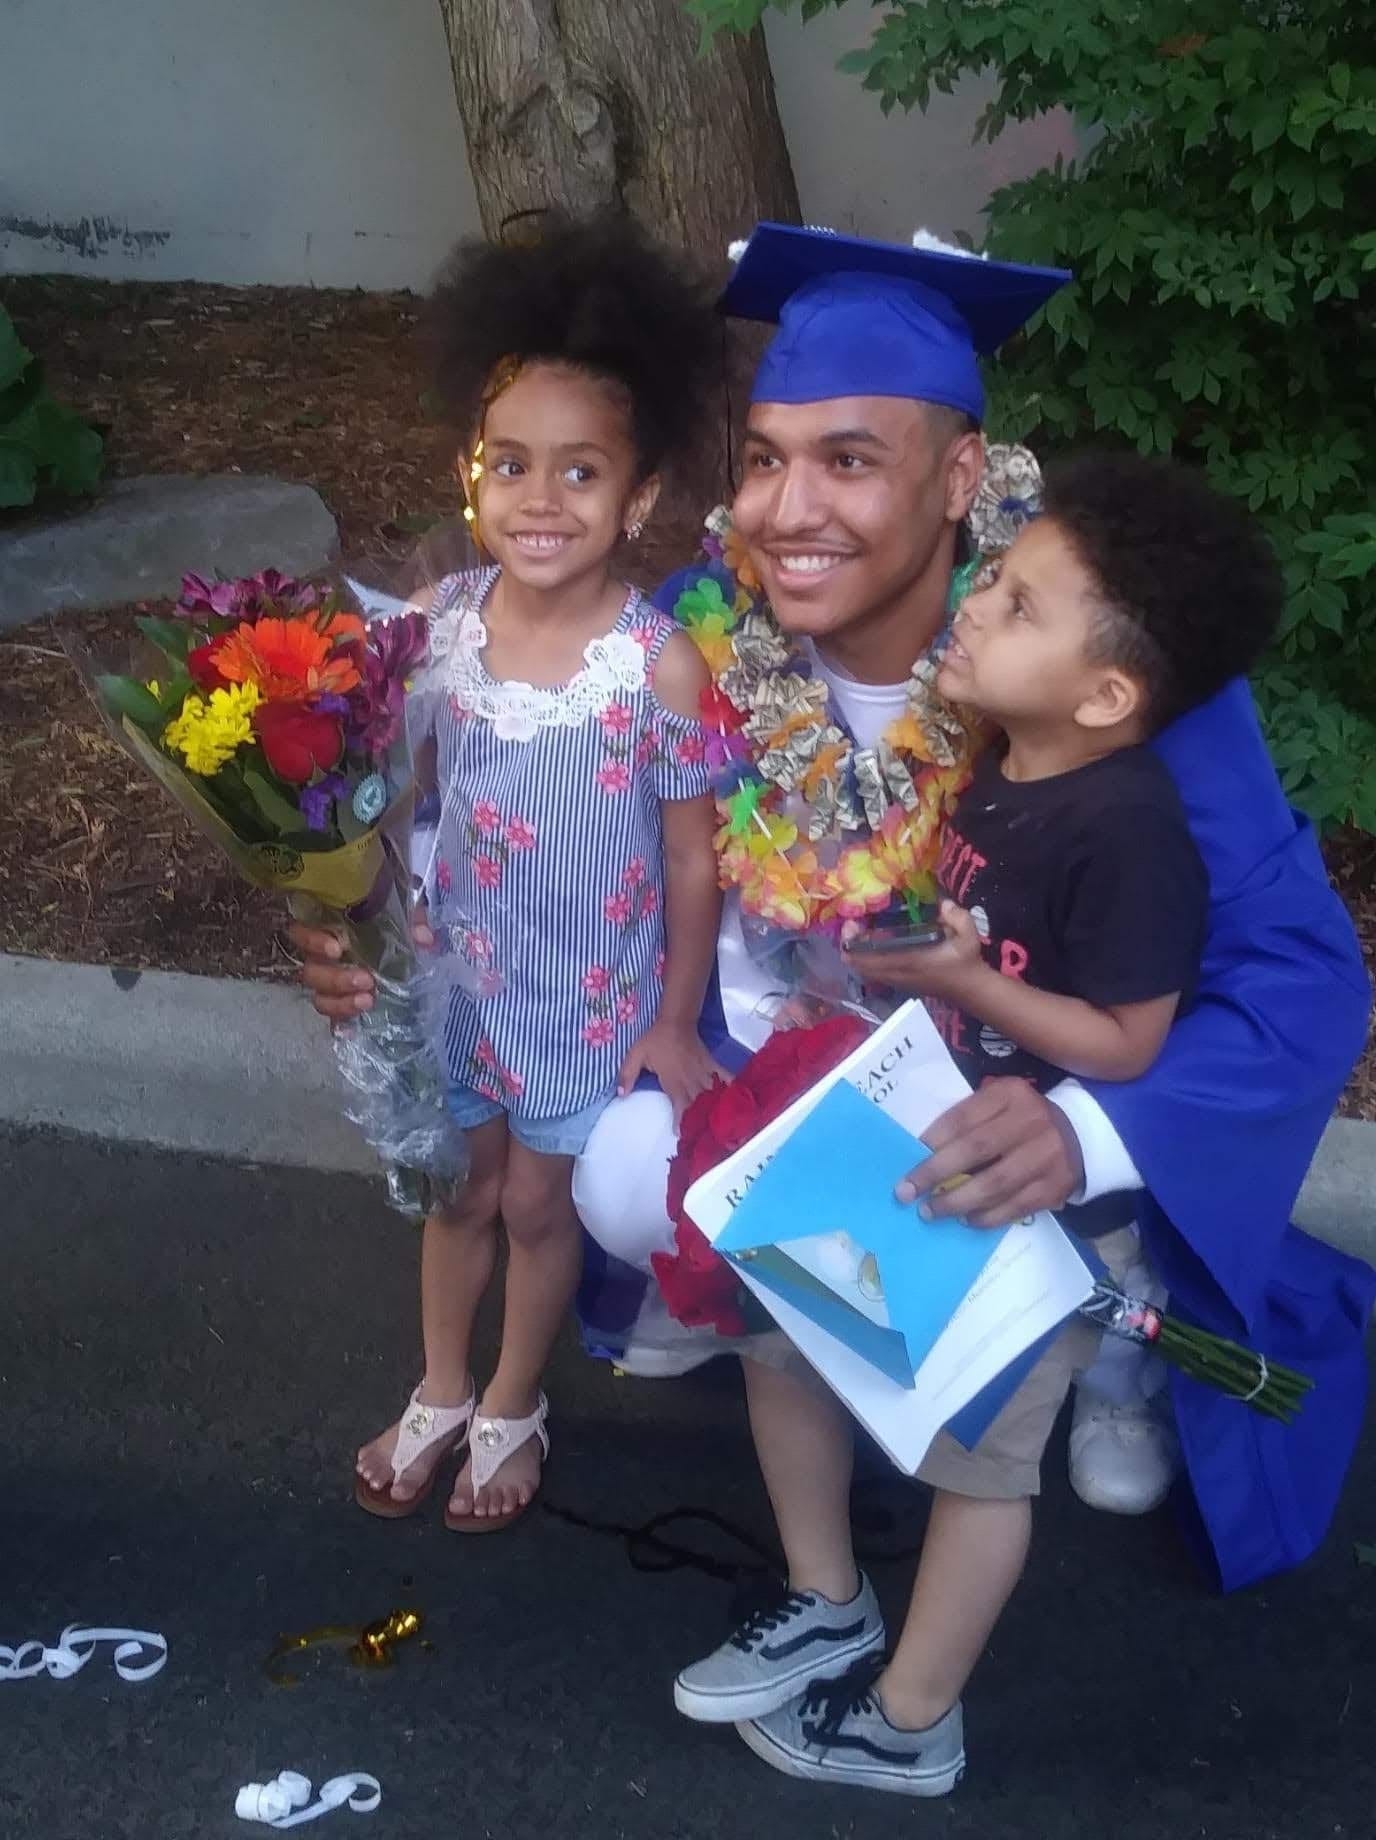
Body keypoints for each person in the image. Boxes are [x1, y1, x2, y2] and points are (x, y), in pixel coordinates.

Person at [297, 225, 1371, 1780]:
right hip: (794, 1048)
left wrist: (1083, 1132)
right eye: (768, 458)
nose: (791, 511)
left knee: (1035, 1234)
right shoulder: (703, 638)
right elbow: (530, 823)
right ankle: (801, 1391)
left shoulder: (1092, 669)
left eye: (852, 461)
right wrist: (370, 937)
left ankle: (1110, 1327)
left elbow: (1297, 984)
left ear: (960, 480)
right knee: (618, 1173)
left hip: (1019, 1069)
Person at [701, 449, 1265, 1797]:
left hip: (1036, 1200)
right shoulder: (1005, 761)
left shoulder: (1130, 829)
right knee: (780, 1330)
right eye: (993, 579)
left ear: (1108, 691)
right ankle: (825, 1594)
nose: (976, 604)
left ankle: (911, 1720)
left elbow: (1131, 1039)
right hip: (924, 1138)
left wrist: (956, 975)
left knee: (983, 1458)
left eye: (1016, 604)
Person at [296, 215, 724, 1532]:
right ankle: (438, 1382)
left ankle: (514, 1399)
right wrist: (340, 922)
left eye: (583, 473)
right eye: (514, 465)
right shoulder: (433, 632)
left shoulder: (656, 664)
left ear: (641, 496)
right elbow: (372, 800)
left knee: (541, 1205)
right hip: (459, 981)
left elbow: (691, 858)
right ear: (468, 473)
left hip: (587, 1003)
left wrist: (669, 1018)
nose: (544, 501)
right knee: (456, 1188)